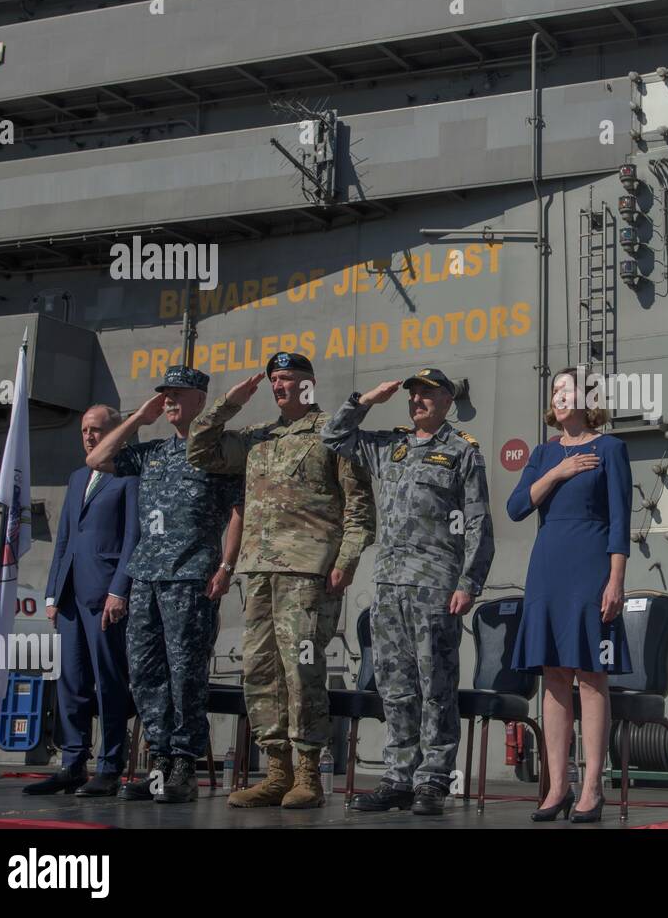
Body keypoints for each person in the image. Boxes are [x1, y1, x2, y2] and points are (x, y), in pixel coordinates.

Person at [186, 351, 373, 809]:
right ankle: (275, 772)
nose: (279, 386)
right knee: (259, 670)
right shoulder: (257, 437)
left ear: (308, 383)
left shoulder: (333, 432)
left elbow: (359, 506)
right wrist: (230, 402)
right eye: (274, 379)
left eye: (287, 378)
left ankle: (308, 773)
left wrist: (346, 561)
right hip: (258, 572)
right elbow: (200, 450)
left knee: (301, 669)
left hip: (308, 572)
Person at [321, 368, 494, 815]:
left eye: (427, 394)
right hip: (389, 586)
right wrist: (366, 401)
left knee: (436, 686)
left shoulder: (462, 452)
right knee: (395, 686)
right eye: (413, 394)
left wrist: (469, 582)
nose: (417, 400)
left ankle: (433, 779)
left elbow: (478, 522)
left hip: (435, 586)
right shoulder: (390, 446)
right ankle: (398, 777)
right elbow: (334, 436)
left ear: (448, 401)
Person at [85, 366, 244, 804]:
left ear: (200, 400)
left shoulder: (216, 453)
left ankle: (184, 766)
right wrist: (139, 418)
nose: (170, 400)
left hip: (191, 578)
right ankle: (159, 762)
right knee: (146, 672)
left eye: (178, 393)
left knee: (185, 674)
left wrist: (227, 566)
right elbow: (97, 461)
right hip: (146, 578)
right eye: (165, 394)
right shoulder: (152, 452)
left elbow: (239, 510)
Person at [506, 367, 631, 823]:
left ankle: (592, 787)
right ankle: (558, 786)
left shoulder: (611, 449)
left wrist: (615, 580)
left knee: (591, 675)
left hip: (591, 567)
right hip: (547, 570)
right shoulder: (543, 453)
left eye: (568, 389)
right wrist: (558, 472)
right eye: (555, 389)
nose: (559, 395)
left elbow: (620, 520)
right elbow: (517, 507)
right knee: (554, 676)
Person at [24, 406, 139, 798]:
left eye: (98, 430)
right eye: (86, 431)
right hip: (71, 597)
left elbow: (132, 538)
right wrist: (53, 593)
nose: (90, 437)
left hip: (104, 596)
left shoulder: (128, 477)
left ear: (116, 432)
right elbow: (64, 540)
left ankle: (109, 766)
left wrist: (119, 590)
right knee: (71, 682)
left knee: (108, 682)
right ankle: (72, 763)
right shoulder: (77, 478)